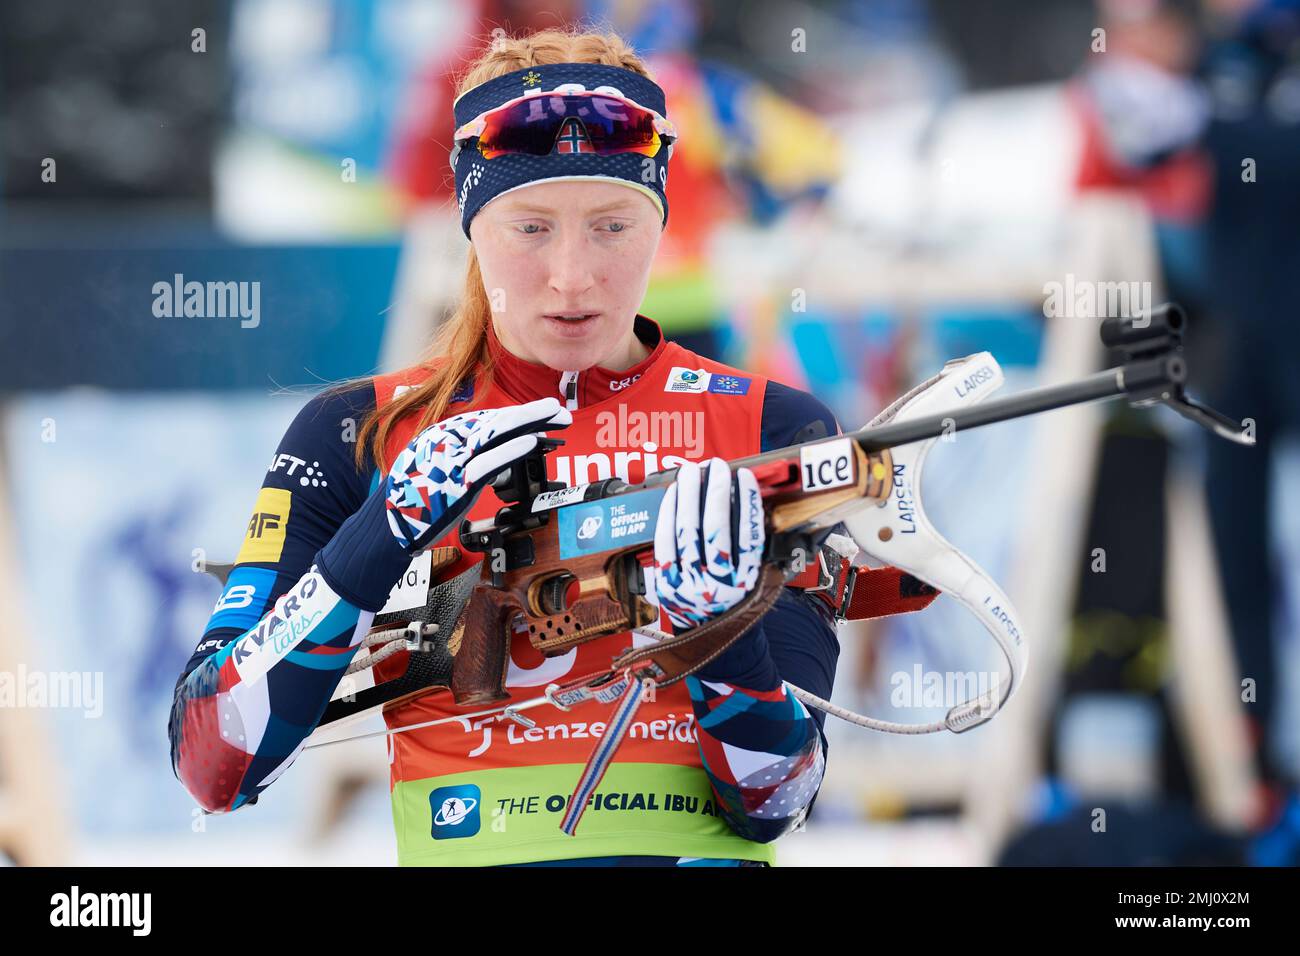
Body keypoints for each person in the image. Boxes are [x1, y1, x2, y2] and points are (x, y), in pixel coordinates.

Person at [169, 26, 845, 867]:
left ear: (660, 221)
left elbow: (778, 799)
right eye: (530, 228)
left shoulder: (770, 429)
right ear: (473, 225)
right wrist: (381, 533)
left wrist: (719, 625)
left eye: (611, 225)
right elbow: (212, 762)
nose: (572, 274)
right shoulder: (360, 431)